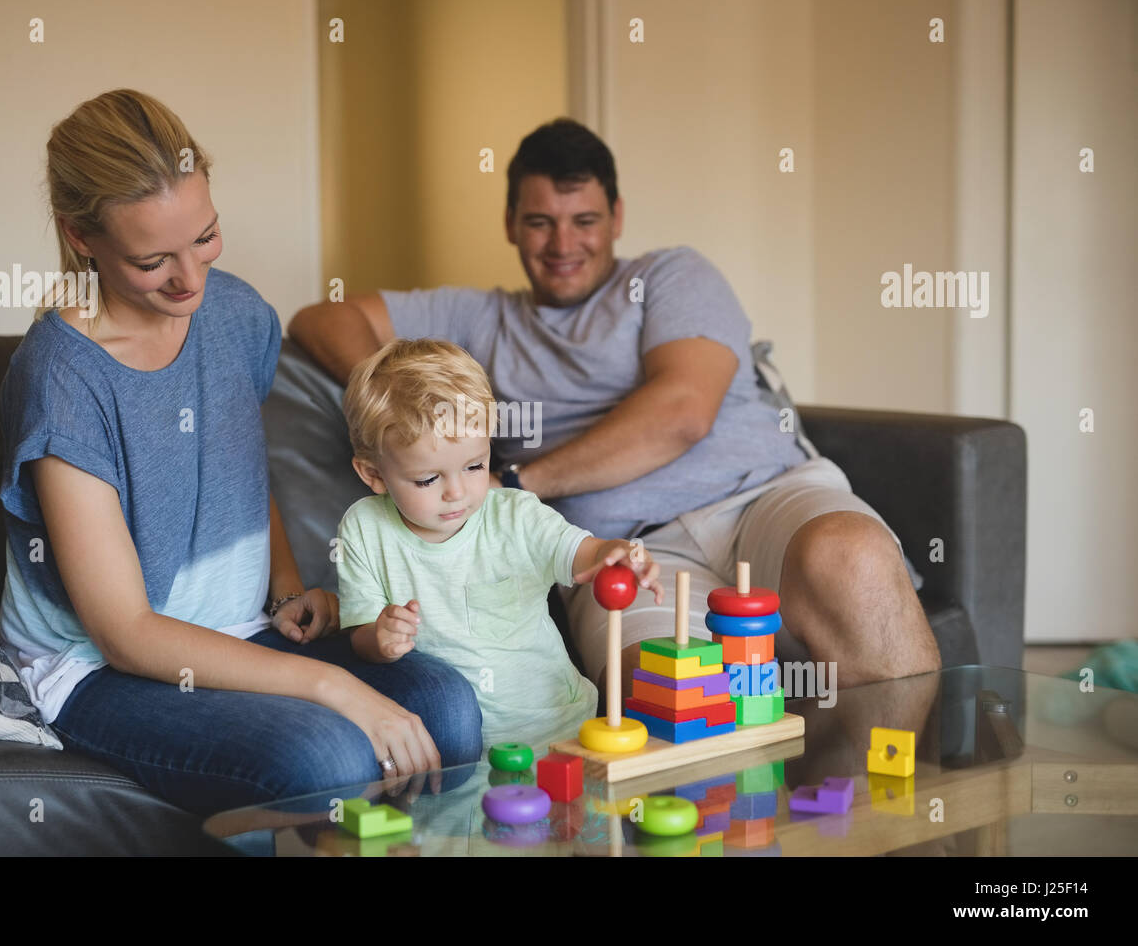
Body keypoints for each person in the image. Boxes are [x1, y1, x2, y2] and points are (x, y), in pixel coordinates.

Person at [289, 117, 941, 699]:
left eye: (585, 220)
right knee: (658, 689)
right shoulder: (478, 316)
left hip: (761, 498)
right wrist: (404, 402)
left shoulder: (671, 276)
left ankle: (911, 819)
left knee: (852, 556)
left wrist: (518, 481)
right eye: (540, 221)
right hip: (621, 550)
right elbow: (324, 318)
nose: (562, 242)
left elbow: (684, 412)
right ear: (511, 223)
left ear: (618, 217)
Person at [0, 89, 481, 817]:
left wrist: (287, 592)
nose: (191, 280)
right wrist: (333, 684)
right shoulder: (60, 379)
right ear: (81, 237)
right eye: (154, 260)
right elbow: (124, 632)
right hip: (100, 670)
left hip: (240, 634)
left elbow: (237, 474)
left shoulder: (237, 314)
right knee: (327, 756)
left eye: (206, 238)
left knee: (447, 706)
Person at [335, 338, 664, 752]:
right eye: (428, 479)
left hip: (560, 728)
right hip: (455, 748)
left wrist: (614, 552)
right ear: (373, 474)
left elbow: (582, 552)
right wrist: (380, 639)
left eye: (474, 466)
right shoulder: (363, 530)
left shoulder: (516, 516)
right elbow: (361, 635)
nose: (457, 492)